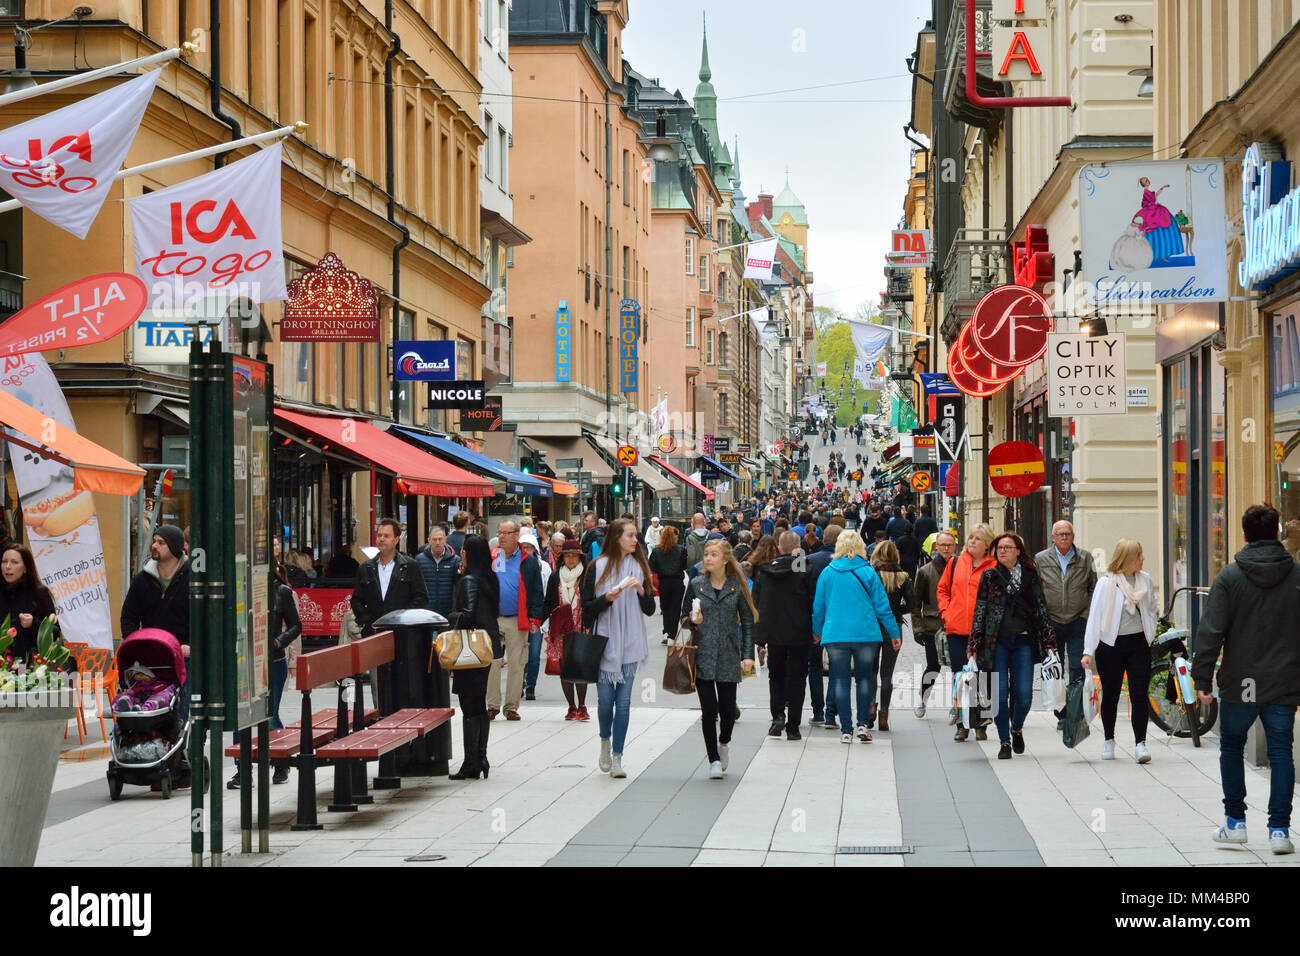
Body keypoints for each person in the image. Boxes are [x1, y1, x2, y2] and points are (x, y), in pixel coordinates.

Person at [1194, 505, 1300, 853]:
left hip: (1241, 681)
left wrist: (1203, 678)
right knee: (1282, 752)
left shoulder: (1230, 577)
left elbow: (1212, 630)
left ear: (1243, 535)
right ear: (1277, 532)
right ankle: (1280, 831)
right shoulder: (1295, 575)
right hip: (1285, 679)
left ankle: (1235, 822)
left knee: (1231, 746)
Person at [969, 532, 1057, 760]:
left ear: (1018, 551)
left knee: (1024, 694)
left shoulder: (1030, 576)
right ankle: (1004, 741)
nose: (1003, 551)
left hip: (1023, 641)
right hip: (995, 643)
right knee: (998, 695)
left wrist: (1049, 642)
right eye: (1000, 548)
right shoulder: (989, 576)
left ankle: (1016, 728)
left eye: (1008, 547)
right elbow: (980, 610)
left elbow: (1042, 608)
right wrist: (974, 643)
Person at [580, 518, 655, 778]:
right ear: (616, 538)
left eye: (635, 535)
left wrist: (642, 592)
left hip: (632, 641)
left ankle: (618, 757)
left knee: (623, 704)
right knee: (605, 702)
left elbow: (651, 609)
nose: (636, 540)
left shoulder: (640, 567)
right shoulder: (596, 567)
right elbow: (586, 610)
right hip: (606, 641)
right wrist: (607, 599)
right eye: (631, 535)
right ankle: (604, 740)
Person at [812, 530, 901, 744]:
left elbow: (819, 607)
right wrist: (894, 633)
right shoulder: (868, 572)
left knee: (840, 680)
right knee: (863, 679)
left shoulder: (827, 573)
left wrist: (817, 630)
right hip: (865, 634)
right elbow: (882, 606)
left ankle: (846, 729)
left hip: (836, 634)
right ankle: (862, 724)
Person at [1077, 537, 1157, 766]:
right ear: (1129, 558)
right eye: (1139, 555)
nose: (1143, 559)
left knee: (1139, 693)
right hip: (1110, 647)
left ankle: (1140, 743)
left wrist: (1150, 632)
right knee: (1110, 695)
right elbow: (1095, 618)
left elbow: (1151, 608)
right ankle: (1109, 739)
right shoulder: (1106, 583)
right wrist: (1088, 651)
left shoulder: (1146, 580)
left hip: (1138, 645)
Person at [685, 539, 756, 778]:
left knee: (727, 710)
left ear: (725, 559)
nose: (708, 558)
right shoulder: (696, 584)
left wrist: (748, 655)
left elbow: (747, 622)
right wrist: (691, 620)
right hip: (702, 653)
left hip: (728, 653)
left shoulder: (737, 585)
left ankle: (723, 742)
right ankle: (713, 760)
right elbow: (683, 618)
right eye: (706, 554)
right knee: (709, 710)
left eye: (713, 554)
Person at [121, 525, 192, 718]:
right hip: (151, 656)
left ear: (176, 547)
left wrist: (190, 646)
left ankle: (188, 742)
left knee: (184, 709)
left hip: (184, 656)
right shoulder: (141, 581)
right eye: (154, 541)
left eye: (161, 542)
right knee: (147, 705)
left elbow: (202, 617)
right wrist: (133, 642)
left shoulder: (192, 579)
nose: (154, 545)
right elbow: (129, 616)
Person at [447, 536, 502, 781]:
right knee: (478, 704)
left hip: (468, 650)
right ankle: (481, 757)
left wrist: (450, 616)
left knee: (469, 706)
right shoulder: (489, 579)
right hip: (484, 648)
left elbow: (467, 614)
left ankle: (472, 762)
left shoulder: (469, 580)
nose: (461, 554)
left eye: (464, 550)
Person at [1034, 520, 1097, 728]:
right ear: (1053, 537)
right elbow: (1036, 589)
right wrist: (1042, 618)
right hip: (1052, 621)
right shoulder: (1041, 559)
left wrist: (1086, 615)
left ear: (1073, 536)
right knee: (1055, 668)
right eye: (1060, 534)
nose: (1064, 537)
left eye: (1067, 534)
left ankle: (1075, 713)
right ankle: (1061, 714)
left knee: (1078, 668)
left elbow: (1092, 588)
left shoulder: (1085, 558)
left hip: (1078, 620)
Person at [937, 524, 997, 741]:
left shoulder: (994, 566)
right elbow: (942, 589)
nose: (972, 541)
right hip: (957, 629)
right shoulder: (955, 563)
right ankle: (962, 724)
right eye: (971, 537)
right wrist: (947, 612)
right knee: (960, 677)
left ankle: (981, 724)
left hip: (983, 632)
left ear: (987, 545)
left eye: (977, 539)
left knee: (984, 677)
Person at [752, 531, 813, 741]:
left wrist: (759, 638)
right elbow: (813, 601)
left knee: (775, 675)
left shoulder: (765, 571)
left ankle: (777, 715)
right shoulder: (804, 569)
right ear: (798, 546)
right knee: (797, 678)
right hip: (799, 632)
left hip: (774, 633)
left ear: (778, 548)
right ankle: (793, 726)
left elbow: (757, 604)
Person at [487, 519, 544, 719]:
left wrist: (535, 619)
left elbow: (537, 591)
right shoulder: (493, 556)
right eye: (499, 532)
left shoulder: (527, 561)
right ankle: (492, 705)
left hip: (517, 618)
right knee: (492, 662)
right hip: (494, 617)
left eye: (506, 533)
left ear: (516, 535)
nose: (501, 536)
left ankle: (511, 707)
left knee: (517, 664)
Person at [349, 518, 428, 636]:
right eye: (379, 535)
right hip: (373, 632)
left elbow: (421, 598)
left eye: (386, 536)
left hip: (403, 633)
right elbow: (356, 600)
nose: (381, 539)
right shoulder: (366, 568)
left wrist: (403, 618)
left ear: (396, 540)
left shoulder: (410, 566)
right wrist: (367, 620)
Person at [542, 538, 590, 721]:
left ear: (580, 558)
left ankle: (582, 705)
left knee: (580, 667)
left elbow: (591, 601)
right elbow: (548, 602)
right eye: (567, 556)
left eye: (574, 556)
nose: (571, 559)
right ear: (563, 558)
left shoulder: (585, 576)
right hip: (560, 629)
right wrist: (539, 620)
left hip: (581, 627)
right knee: (565, 669)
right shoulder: (556, 577)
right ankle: (571, 706)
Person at [869, 540, 912, 733]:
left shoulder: (871, 574)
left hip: (871, 625)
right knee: (887, 674)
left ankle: (870, 706)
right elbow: (911, 604)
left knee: (870, 671)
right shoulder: (903, 577)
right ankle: (884, 714)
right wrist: (898, 610)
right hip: (893, 626)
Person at [913, 530, 956, 717]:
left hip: (957, 625)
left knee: (959, 667)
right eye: (942, 545)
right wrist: (918, 628)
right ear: (936, 547)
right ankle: (922, 699)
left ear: (954, 546)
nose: (946, 548)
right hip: (933, 625)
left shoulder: (961, 568)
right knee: (933, 666)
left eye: (949, 545)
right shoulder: (925, 571)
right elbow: (916, 603)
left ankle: (957, 705)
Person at [0, 542, 56, 663]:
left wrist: (33, 623)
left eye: (14, 562)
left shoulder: (39, 593)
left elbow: (55, 633)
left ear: (25, 567)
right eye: (4, 561)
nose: (7, 566)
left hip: (27, 667)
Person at [520, 529, 551, 702]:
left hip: (537, 615)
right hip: (519, 615)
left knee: (534, 654)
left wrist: (543, 617)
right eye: (523, 547)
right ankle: (519, 684)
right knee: (519, 654)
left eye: (529, 547)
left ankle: (531, 685)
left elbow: (545, 592)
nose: (526, 551)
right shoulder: (515, 564)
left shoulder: (543, 567)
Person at [649, 524, 689, 647]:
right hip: (677, 582)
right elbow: (684, 566)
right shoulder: (681, 549)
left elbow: (652, 567)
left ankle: (666, 632)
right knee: (675, 609)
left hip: (663, 582)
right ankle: (672, 635)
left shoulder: (656, 551)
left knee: (665, 608)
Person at [416, 524, 460, 618]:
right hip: (426, 613)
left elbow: (458, 587)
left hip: (447, 613)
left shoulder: (455, 560)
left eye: (440, 539)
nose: (437, 542)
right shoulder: (419, 560)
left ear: (445, 540)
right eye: (434, 539)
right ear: (429, 541)